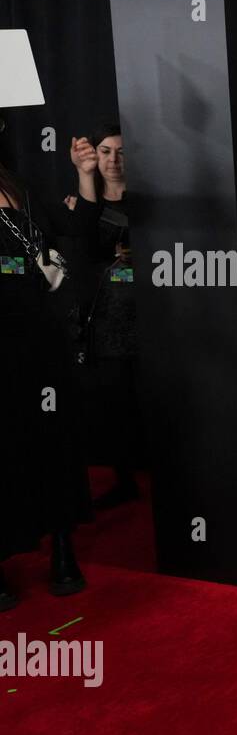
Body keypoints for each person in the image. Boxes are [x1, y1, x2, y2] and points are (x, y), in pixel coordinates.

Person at [0, 148, 98, 609]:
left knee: (53, 441)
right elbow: (14, 266)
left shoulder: (16, 185)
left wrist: (84, 175)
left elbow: (72, 228)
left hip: (41, 342)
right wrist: (26, 271)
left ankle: (62, 550)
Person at [62, 122, 141, 509]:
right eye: (106, 151)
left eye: (122, 151)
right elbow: (85, 253)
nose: (113, 159)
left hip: (154, 319)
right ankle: (125, 479)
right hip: (107, 321)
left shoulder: (147, 201)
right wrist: (85, 178)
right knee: (115, 407)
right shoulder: (84, 204)